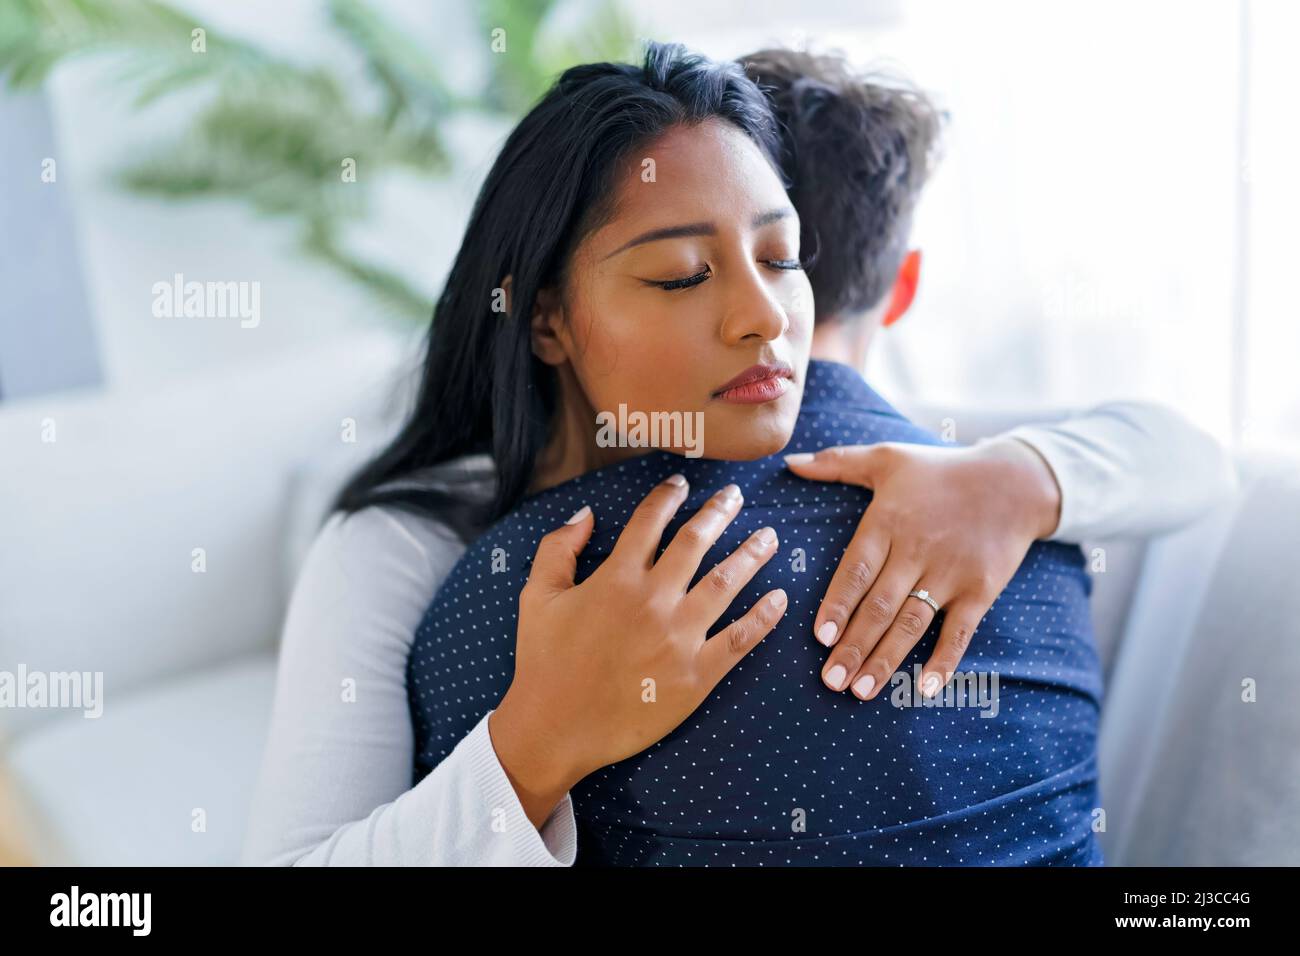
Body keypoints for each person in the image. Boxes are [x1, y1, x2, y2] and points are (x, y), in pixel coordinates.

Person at [241, 43, 1233, 866]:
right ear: (545, 320)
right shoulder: (401, 547)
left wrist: (1018, 477)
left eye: (779, 256)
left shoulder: (884, 443)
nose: (764, 319)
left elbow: (1197, 460)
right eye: (680, 275)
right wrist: (536, 741)